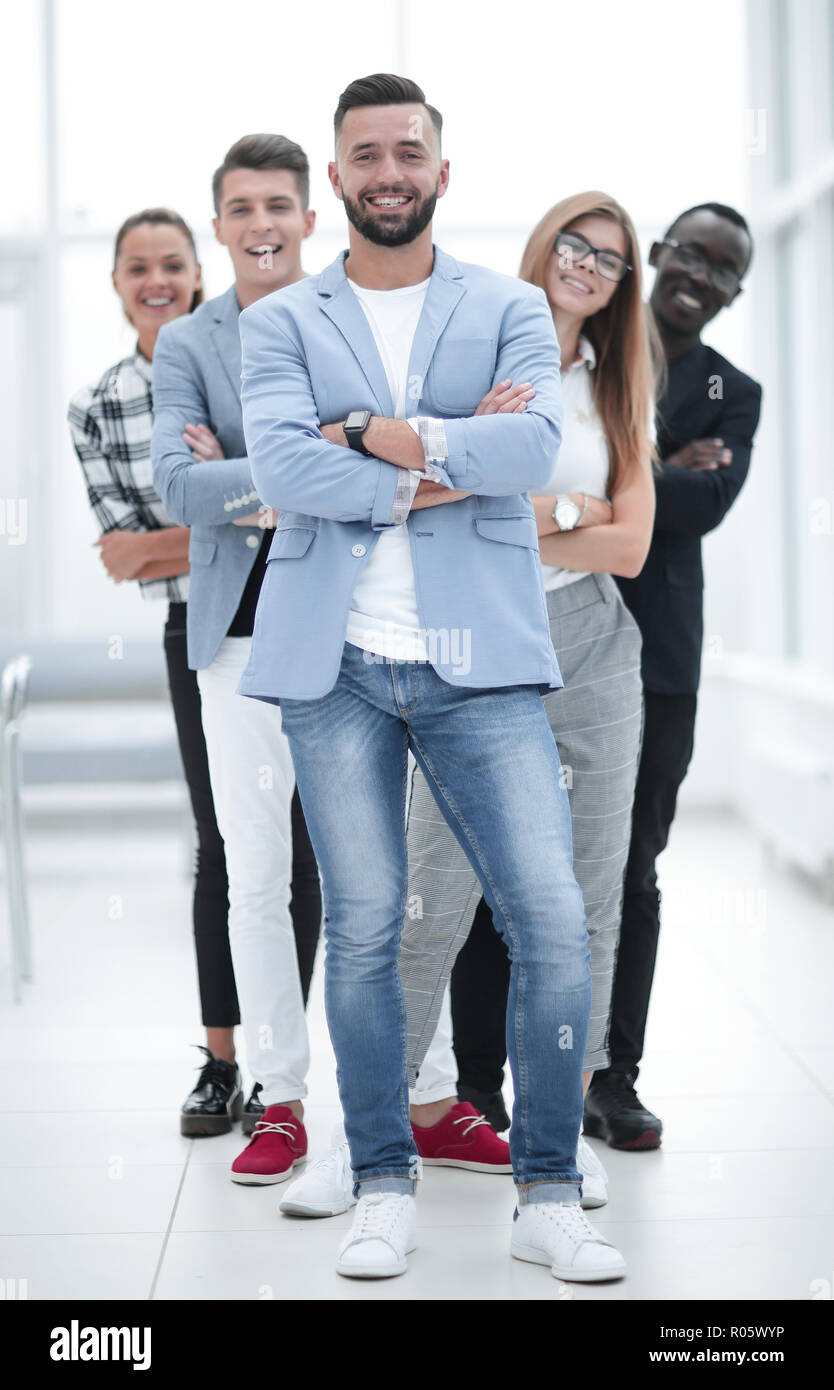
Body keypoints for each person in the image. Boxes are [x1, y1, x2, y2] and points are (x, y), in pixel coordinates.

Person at [236, 72, 627, 1283]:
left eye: (410, 151)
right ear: (337, 179)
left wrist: (373, 437)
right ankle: (379, 1184)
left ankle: (550, 1190)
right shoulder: (281, 323)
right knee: (359, 928)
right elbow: (287, 473)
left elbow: (532, 447)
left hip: (483, 662)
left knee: (551, 922)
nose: (389, 171)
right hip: (337, 666)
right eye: (366, 155)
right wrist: (439, 460)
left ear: (439, 173)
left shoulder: (507, 303)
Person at [283, 191, 658, 1216]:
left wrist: (532, 500)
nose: (585, 266)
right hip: (476, 640)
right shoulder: (468, 354)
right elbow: (401, 487)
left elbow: (629, 544)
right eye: (573, 246)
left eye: (610, 260)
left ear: (624, 286)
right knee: (419, 899)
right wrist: (505, 486)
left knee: (582, 902)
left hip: (590, 644)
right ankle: (361, 1138)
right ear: (541, 249)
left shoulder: (617, 385)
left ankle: (563, 1134)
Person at [151, 136, 322, 1184]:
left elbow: (370, 455)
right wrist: (310, 466)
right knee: (255, 878)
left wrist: (249, 473)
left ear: (309, 217)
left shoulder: (344, 314)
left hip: (353, 633)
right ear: (217, 226)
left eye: (279, 204)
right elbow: (177, 487)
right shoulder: (187, 345)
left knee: (372, 882)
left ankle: (414, 1097)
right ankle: (280, 1096)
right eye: (241, 206)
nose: (262, 221)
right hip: (237, 643)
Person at [68, 208, 250, 1137]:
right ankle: (223, 1064)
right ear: (116, 282)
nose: (157, 280)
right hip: (196, 627)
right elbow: (123, 558)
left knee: (304, 851)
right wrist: (235, 507)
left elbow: (290, 498)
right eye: (138, 266)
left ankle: (295, 1069)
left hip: (287, 610)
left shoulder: (238, 360)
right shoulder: (98, 404)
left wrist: (213, 514)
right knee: (219, 842)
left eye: (173, 263)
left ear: (198, 269)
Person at [584, 202, 762, 1149]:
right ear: (657, 254)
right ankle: (491, 1074)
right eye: (690, 252)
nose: (700, 273)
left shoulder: (737, 390)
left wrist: (623, 474)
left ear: (736, 291)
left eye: (722, 267)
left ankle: (614, 1077)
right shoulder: (595, 343)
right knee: (520, 867)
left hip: (661, 668)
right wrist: (657, 462)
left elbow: (700, 506)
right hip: (555, 643)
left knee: (632, 868)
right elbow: (568, 467)